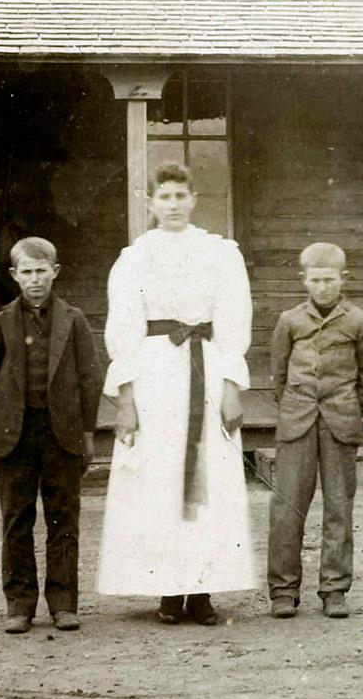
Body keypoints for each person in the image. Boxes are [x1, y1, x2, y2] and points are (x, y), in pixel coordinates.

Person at [97, 162, 256, 625]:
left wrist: (232, 389)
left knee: (208, 478)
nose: (172, 205)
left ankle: (202, 589)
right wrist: (126, 401)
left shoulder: (220, 253)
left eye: (180, 196)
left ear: (193, 200)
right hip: (155, 377)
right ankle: (167, 588)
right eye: (163, 197)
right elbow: (123, 330)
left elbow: (234, 323)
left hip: (207, 369)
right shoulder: (134, 258)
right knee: (159, 480)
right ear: (151, 202)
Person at [0, 236, 104, 634]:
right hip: (14, 435)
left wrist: (86, 432)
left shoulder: (73, 320)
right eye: (27, 272)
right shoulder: (0, 322)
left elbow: (90, 377)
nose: (35, 280)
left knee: (63, 519)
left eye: (41, 271)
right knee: (17, 520)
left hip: (61, 434)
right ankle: (19, 605)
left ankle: (64, 604)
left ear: (55, 272)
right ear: (14, 275)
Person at [266, 242, 363, 620]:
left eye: (329, 280)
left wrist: (346, 410)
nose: (323, 287)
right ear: (304, 280)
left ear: (343, 278)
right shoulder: (290, 321)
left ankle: (334, 589)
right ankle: (284, 591)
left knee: (338, 509)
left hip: (340, 425)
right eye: (315, 280)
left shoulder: (359, 322)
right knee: (287, 509)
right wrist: (296, 406)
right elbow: (278, 376)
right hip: (296, 423)